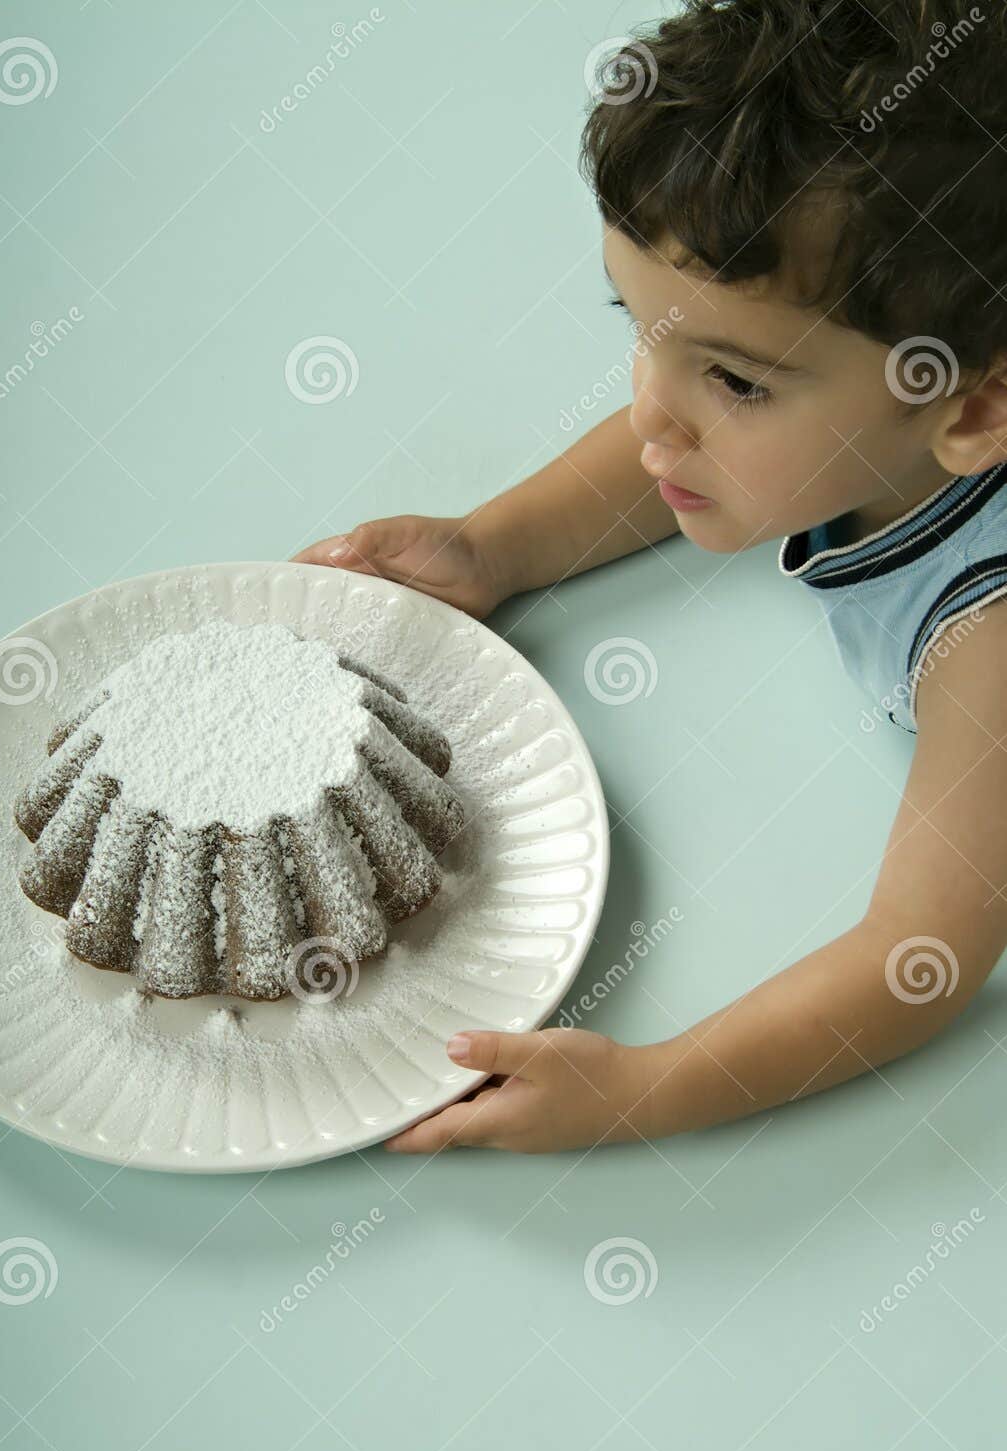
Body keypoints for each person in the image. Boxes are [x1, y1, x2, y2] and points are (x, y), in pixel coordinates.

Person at [292, 0, 1007, 1154]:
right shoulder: (882, 389)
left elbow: (917, 958)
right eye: (640, 327)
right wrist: (494, 546)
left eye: (734, 383)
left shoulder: (991, 647)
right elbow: (673, 458)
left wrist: (648, 1089)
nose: (647, 412)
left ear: (971, 407)